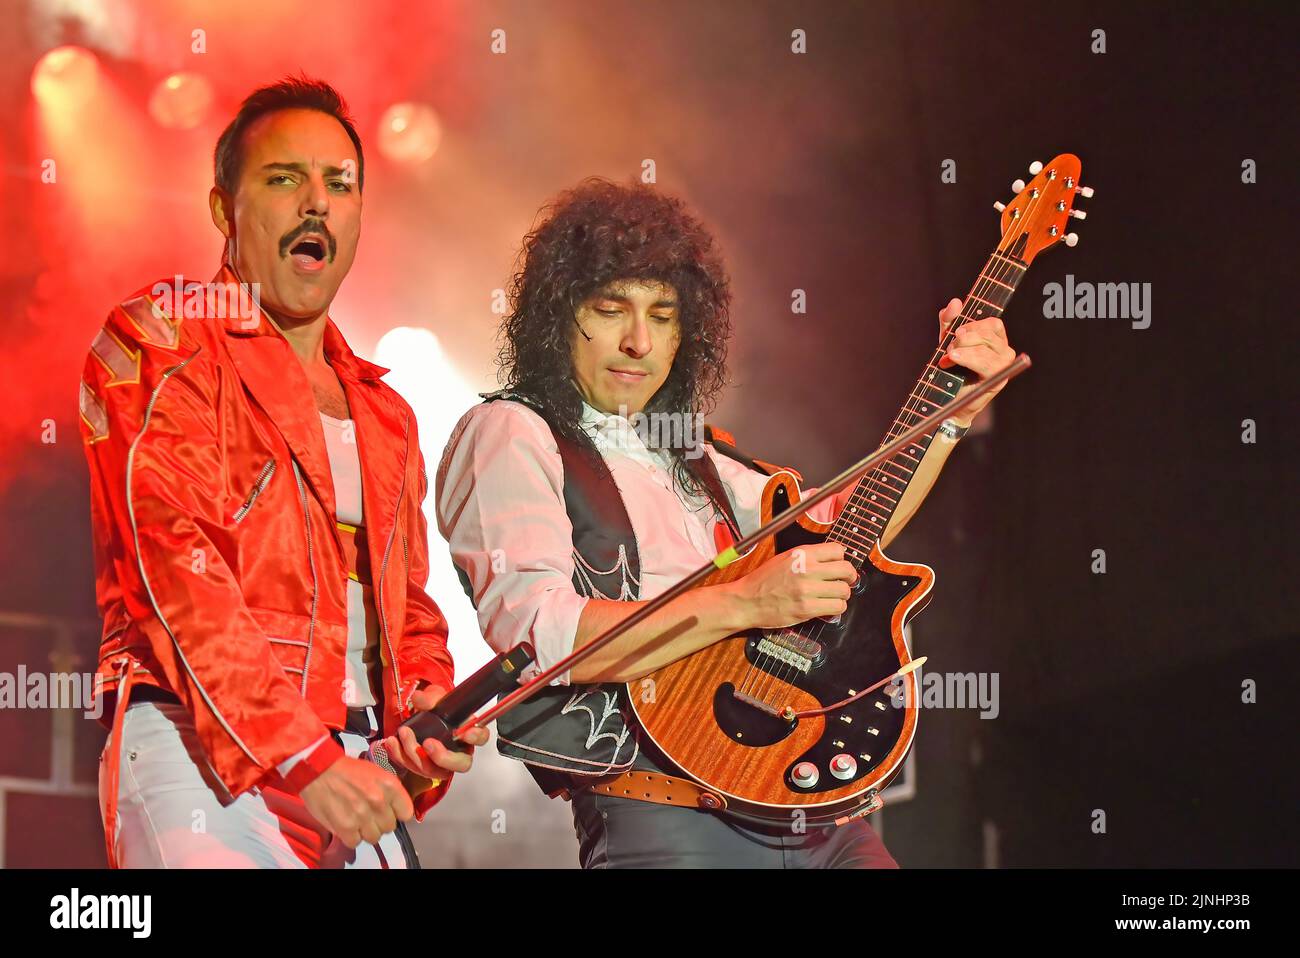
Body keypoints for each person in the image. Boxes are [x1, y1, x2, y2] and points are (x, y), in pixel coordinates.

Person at [436, 177, 1015, 868]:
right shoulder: (512, 430)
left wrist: (951, 408)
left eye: (663, 314)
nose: (637, 341)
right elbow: (542, 638)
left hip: (814, 807)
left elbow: (844, 528)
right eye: (611, 308)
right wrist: (748, 600)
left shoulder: (694, 452)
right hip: (666, 815)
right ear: (559, 314)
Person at [79, 76, 486, 869]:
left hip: (354, 769)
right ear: (223, 210)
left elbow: (406, 609)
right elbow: (173, 569)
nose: (317, 203)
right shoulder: (163, 338)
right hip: (206, 756)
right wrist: (301, 754)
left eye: (340, 184)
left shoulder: (386, 413)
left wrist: (426, 708)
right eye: (284, 178)